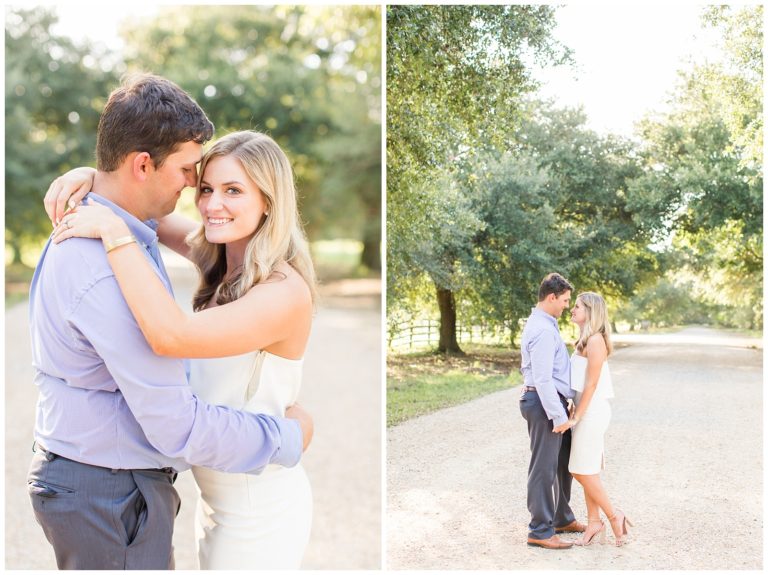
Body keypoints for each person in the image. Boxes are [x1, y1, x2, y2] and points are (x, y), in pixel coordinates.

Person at [29, 73, 313, 570]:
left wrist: (113, 225)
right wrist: (91, 176)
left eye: (233, 190)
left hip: (258, 504)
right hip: (216, 500)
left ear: (269, 200)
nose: (208, 202)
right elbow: (137, 203)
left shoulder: (282, 291)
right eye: (203, 185)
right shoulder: (220, 260)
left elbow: (171, 334)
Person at [519, 272, 585, 549]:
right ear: (551, 297)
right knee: (543, 467)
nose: (567, 306)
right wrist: (558, 415)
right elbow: (543, 379)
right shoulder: (543, 330)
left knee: (561, 463)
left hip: (552, 401)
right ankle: (540, 530)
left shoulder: (546, 325)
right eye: (565, 300)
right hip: (545, 404)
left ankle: (561, 517)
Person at [562, 292, 632, 547]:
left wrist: (576, 417)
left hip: (592, 412)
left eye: (577, 306)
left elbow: (591, 384)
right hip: (585, 409)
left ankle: (614, 516)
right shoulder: (584, 341)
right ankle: (593, 521)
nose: (572, 309)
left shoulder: (595, 341)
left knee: (578, 469)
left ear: (591, 312)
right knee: (588, 468)